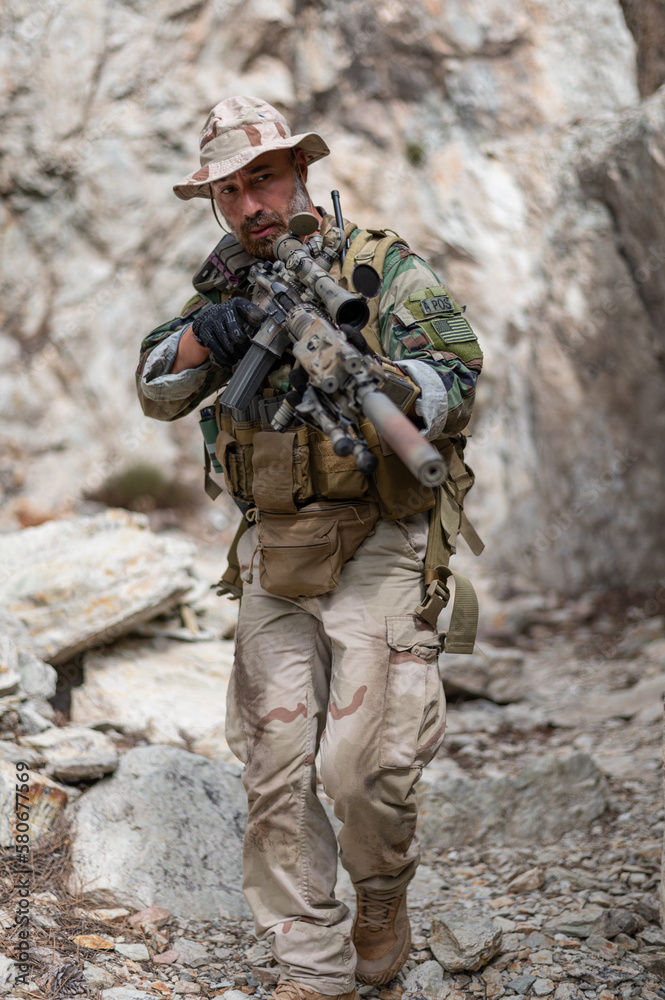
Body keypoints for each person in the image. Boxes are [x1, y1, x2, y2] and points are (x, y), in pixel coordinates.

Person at [136, 96, 483, 1000]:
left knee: (363, 767)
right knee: (276, 772)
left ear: (300, 174)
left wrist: (380, 377)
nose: (251, 205)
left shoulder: (381, 267)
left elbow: (460, 377)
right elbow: (156, 388)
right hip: (277, 553)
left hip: (380, 539)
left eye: (265, 179)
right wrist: (198, 339)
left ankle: (381, 892)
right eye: (230, 191)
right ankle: (311, 968)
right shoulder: (221, 284)